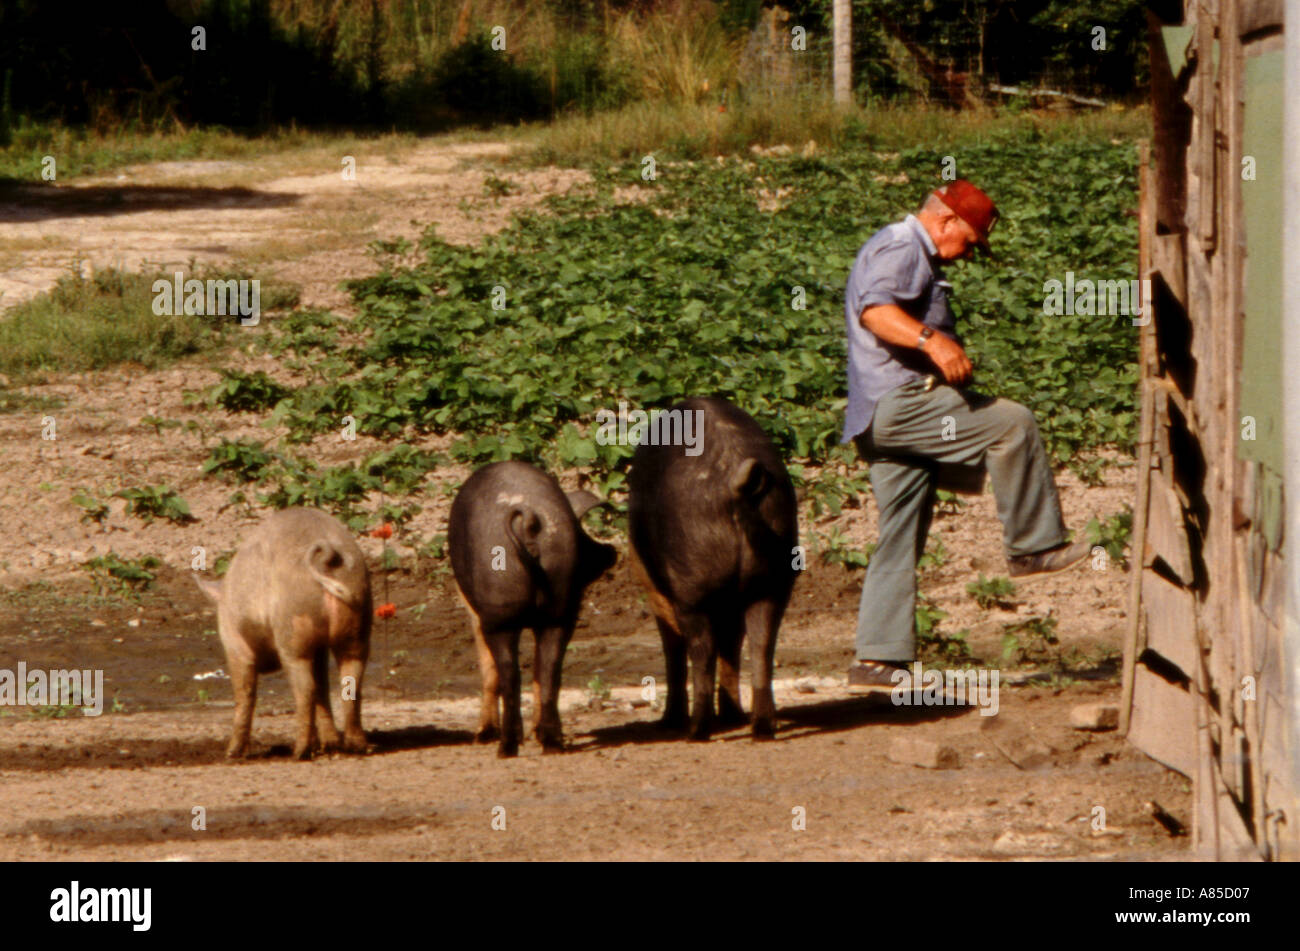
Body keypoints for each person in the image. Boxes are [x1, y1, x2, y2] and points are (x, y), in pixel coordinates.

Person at [842, 180, 1090, 689]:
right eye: (971, 241)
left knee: (900, 531)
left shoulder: (906, 248)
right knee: (1013, 422)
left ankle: (876, 658)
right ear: (947, 221)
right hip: (902, 405)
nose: (968, 254)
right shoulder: (902, 246)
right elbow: (876, 313)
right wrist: (934, 343)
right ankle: (1032, 546)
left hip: (875, 419)